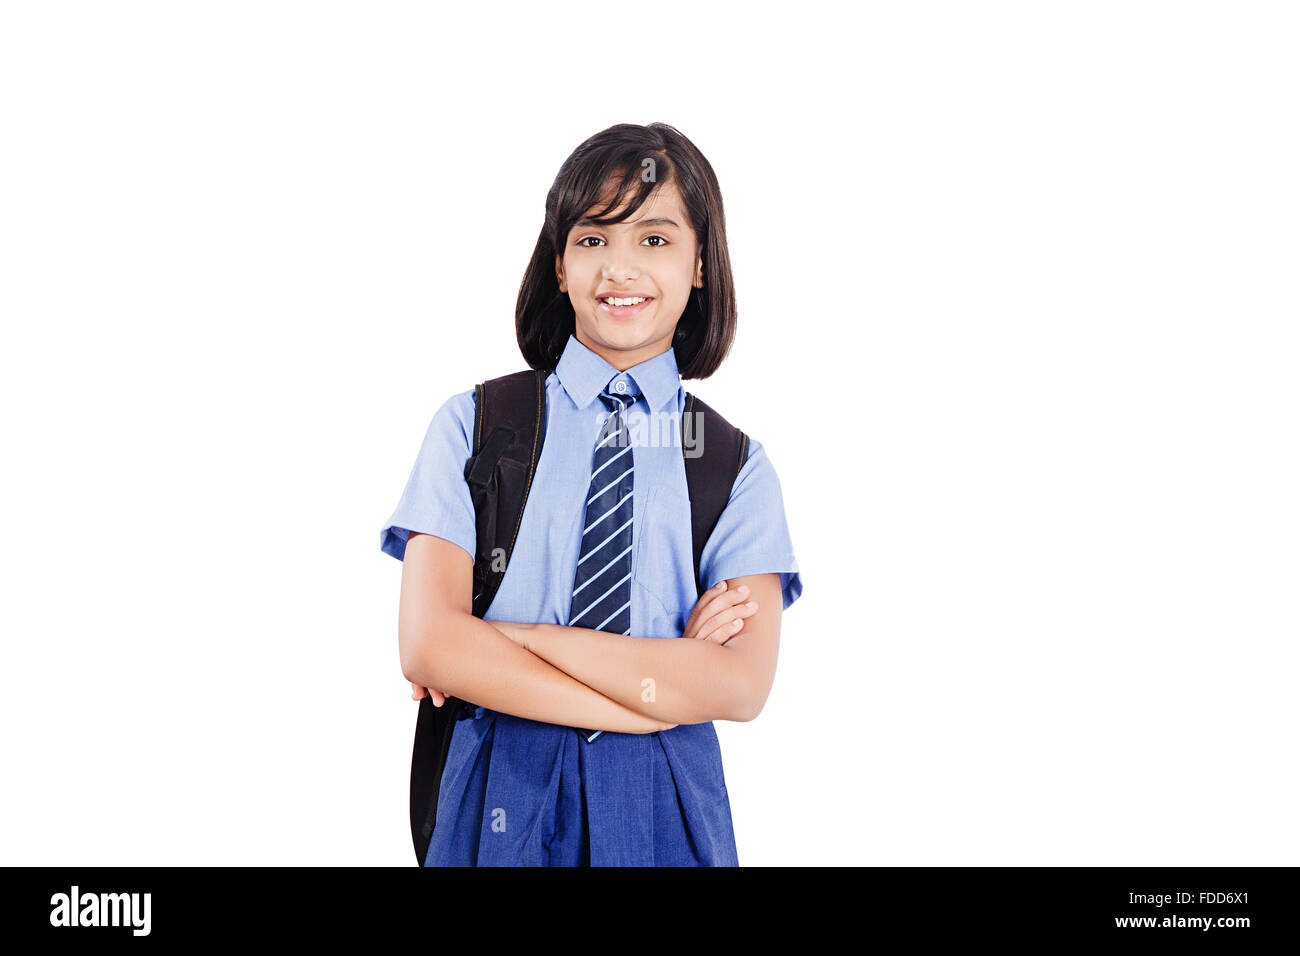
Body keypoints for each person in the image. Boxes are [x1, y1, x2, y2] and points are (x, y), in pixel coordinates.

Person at [379, 122, 803, 865]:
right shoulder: (477, 428)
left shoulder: (734, 466)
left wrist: (505, 638)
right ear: (559, 264)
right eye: (593, 239)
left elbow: (738, 686)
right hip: (499, 789)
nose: (621, 268)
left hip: (665, 806)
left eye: (656, 240)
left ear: (700, 263)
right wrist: (655, 691)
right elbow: (428, 643)